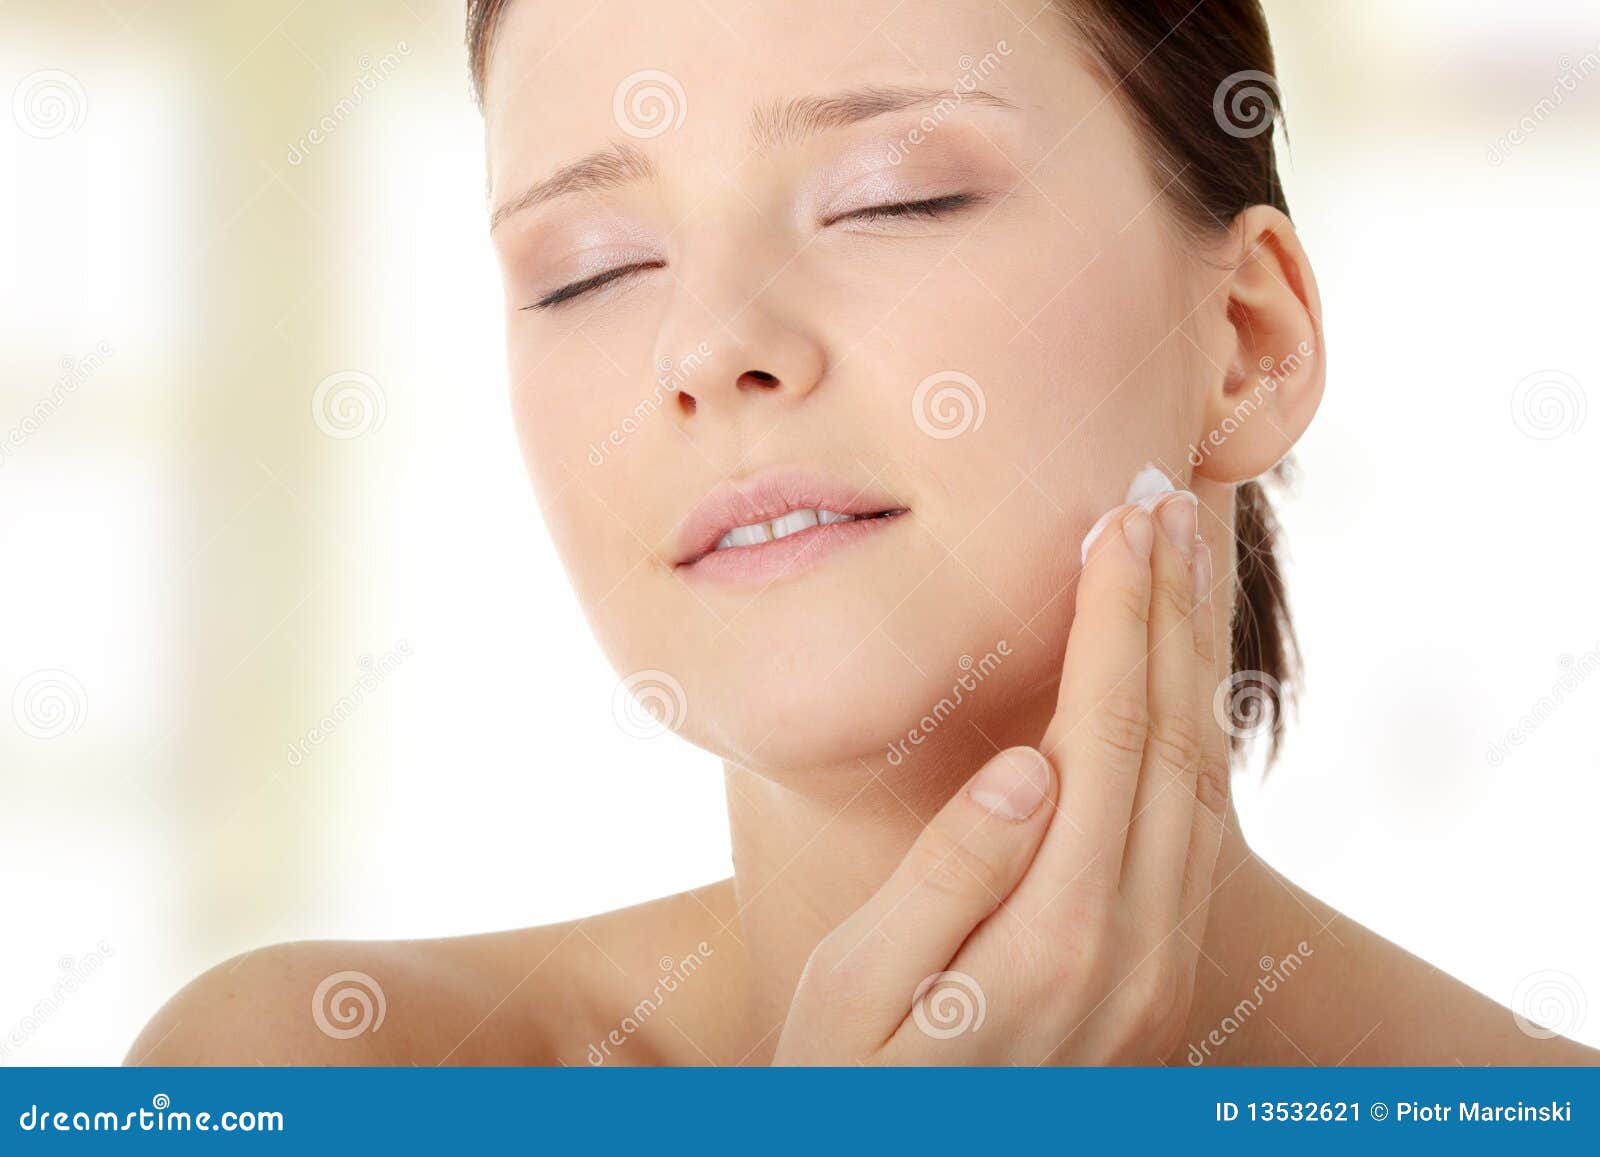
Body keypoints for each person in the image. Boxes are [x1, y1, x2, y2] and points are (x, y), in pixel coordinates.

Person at [129, 0, 1597, 1066]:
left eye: (898, 197)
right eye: (592, 270)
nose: (708, 346)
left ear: (1246, 339)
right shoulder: (302, 1075)